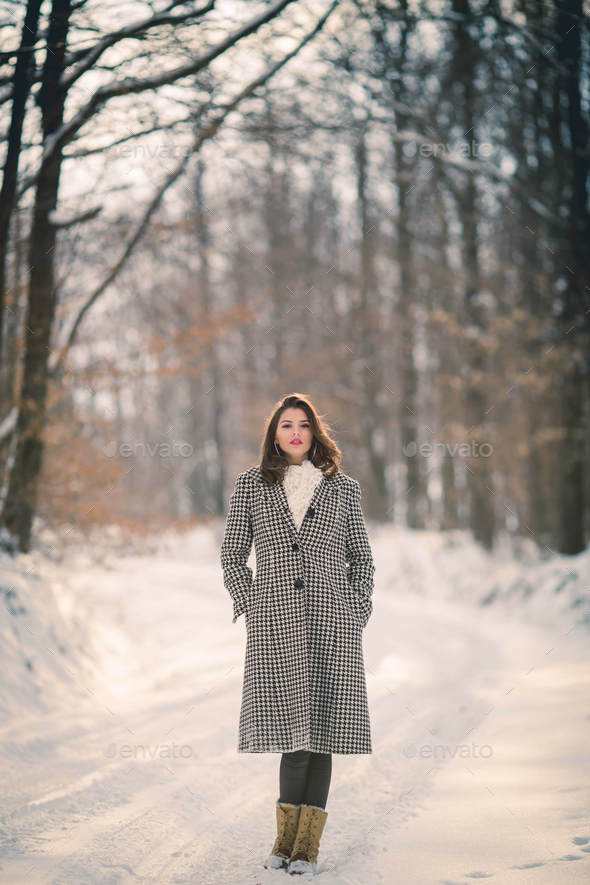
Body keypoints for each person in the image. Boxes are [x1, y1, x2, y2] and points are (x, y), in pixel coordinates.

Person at [220, 393, 375, 876]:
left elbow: (362, 560)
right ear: (273, 434)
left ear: (314, 434)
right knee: (293, 736)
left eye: (303, 425)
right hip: (276, 627)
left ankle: (306, 849)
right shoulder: (251, 486)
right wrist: (253, 602)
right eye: (285, 424)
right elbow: (231, 555)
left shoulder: (343, 489)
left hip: (333, 625)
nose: (294, 432)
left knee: (324, 734)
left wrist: (355, 609)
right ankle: (282, 844)